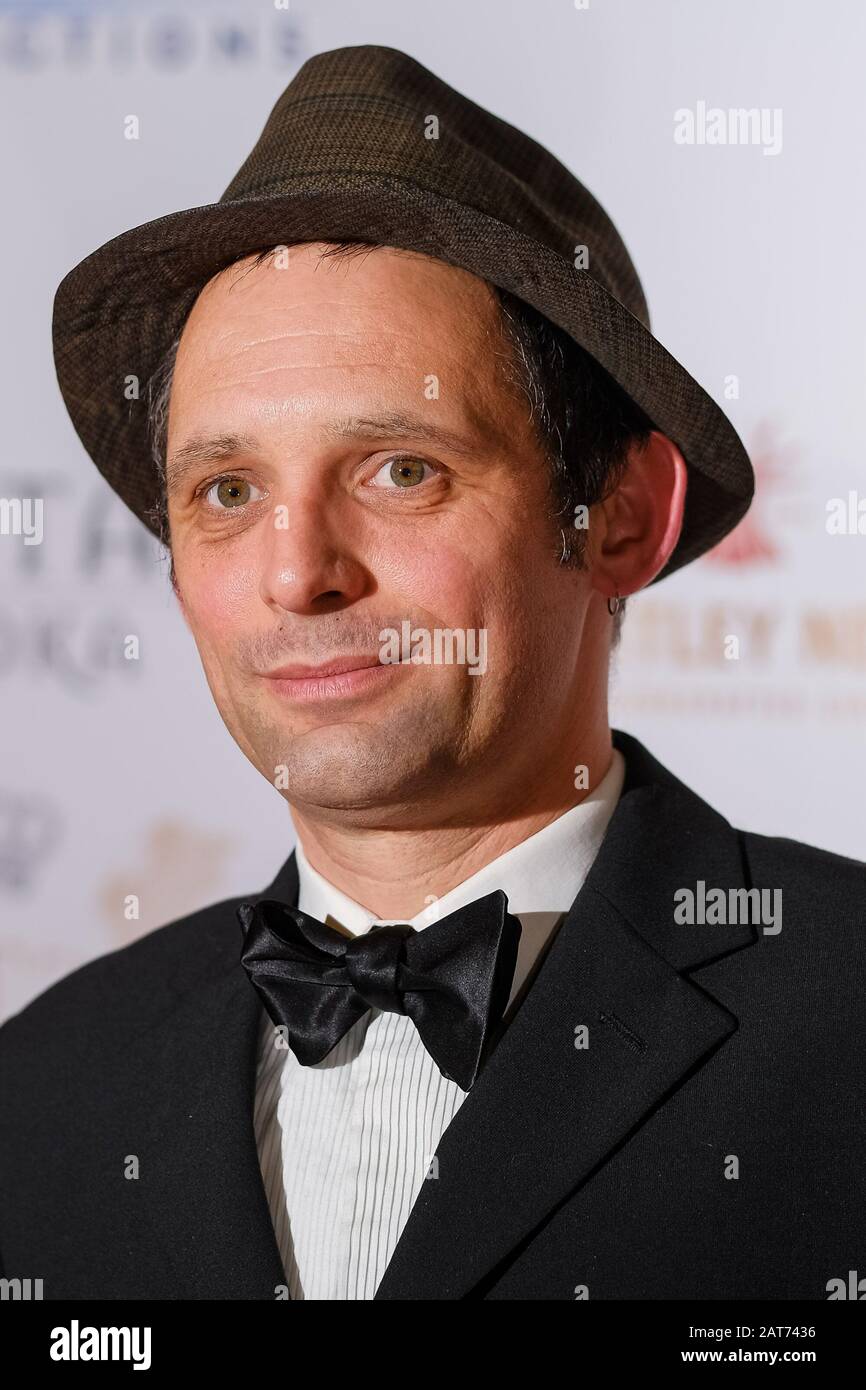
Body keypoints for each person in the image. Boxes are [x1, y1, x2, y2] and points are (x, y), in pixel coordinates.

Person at [1, 44, 863, 1301]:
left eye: (400, 469)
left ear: (617, 518)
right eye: (227, 492)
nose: (299, 575)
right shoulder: (45, 1086)